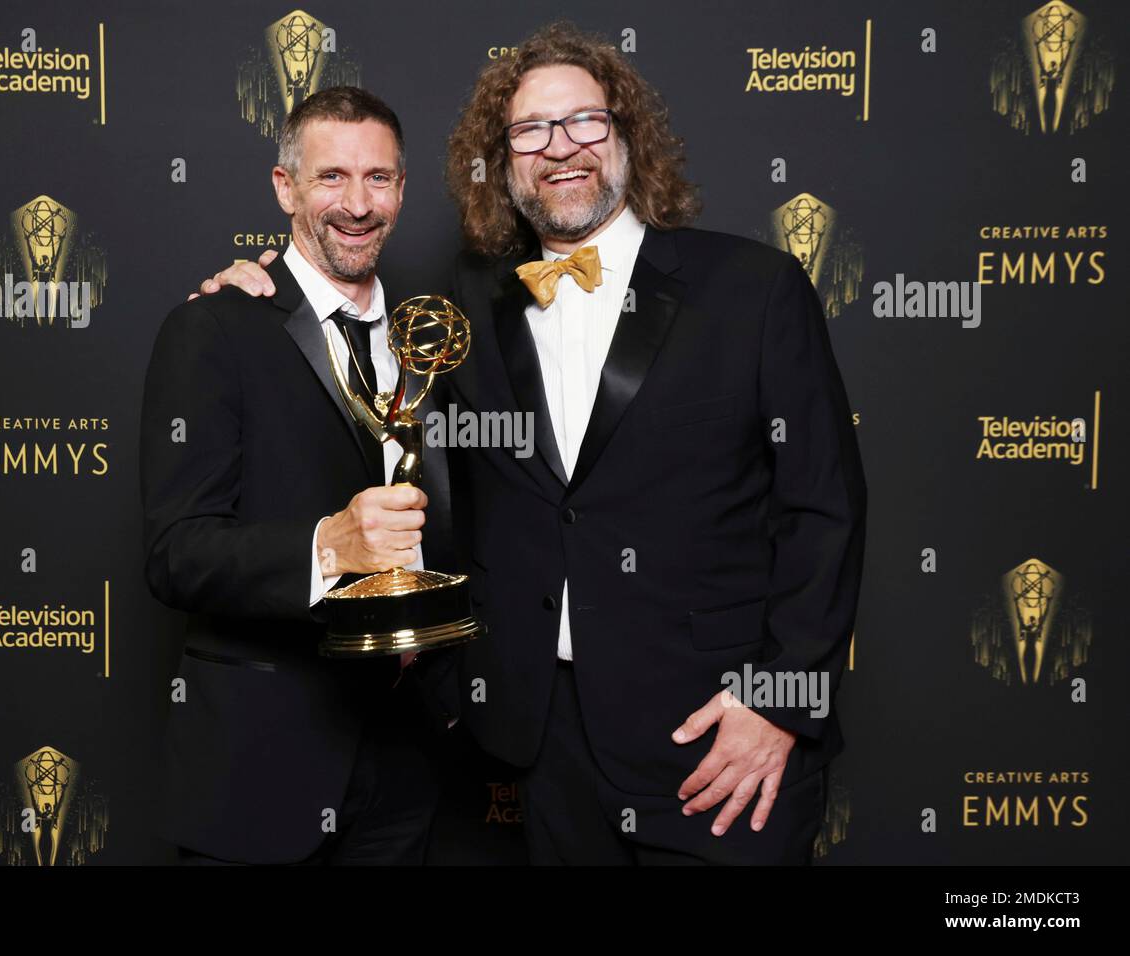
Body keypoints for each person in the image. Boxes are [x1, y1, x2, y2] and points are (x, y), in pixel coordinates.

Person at [194, 21, 866, 865]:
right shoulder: (472, 305)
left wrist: (777, 706)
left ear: (625, 135)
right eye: (530, 131)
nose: (561, 149)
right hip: (545, 751)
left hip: (719, 745)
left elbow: (822, 509)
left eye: (585, 121)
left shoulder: (753, 289)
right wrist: (252, 293)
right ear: (502, 160)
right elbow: (359, 362)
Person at [141, 86, 457, 865]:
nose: (357, 204)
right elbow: (177, 551)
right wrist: (329, 545)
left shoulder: (431, 344)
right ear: (284, 188)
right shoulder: (213, 328)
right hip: (261, 769)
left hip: (404, 762)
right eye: (331, 178)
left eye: (378, 178)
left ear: (403, 189)